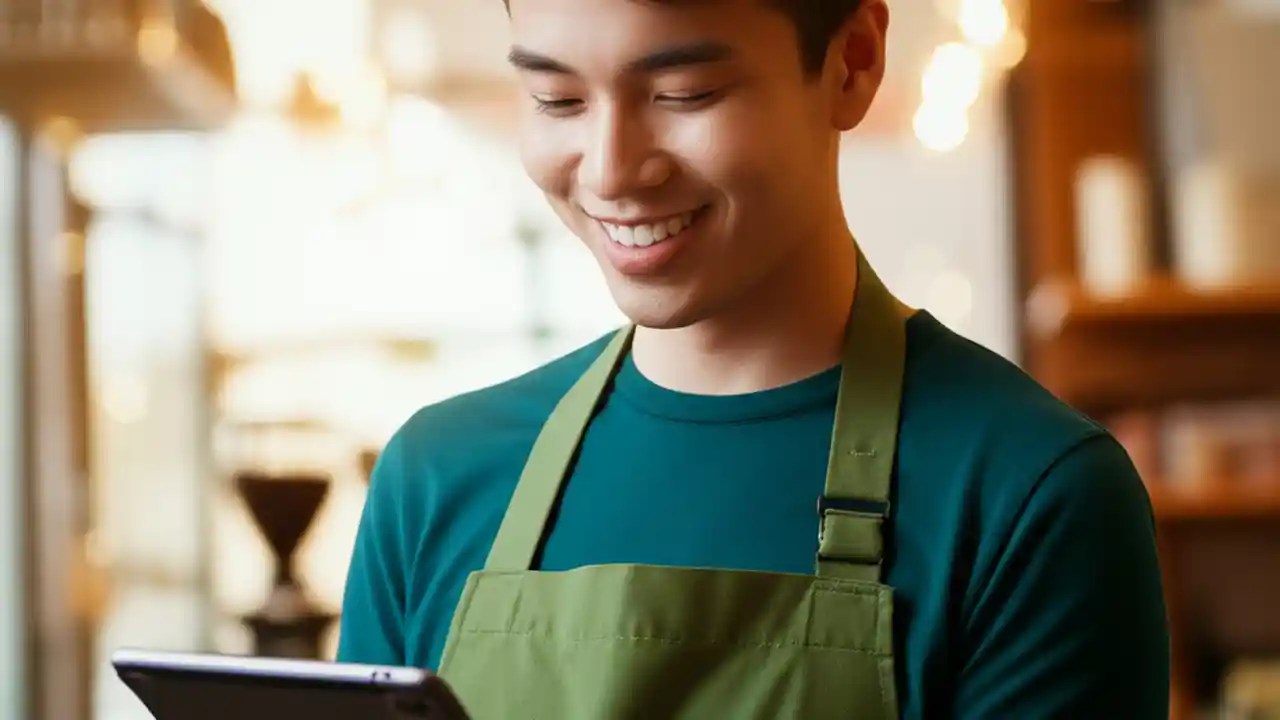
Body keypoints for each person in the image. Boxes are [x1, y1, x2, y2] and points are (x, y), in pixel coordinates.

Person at [337, 0, 1171, 717]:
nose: (612, 169)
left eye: (682, 93)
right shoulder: (434, 480)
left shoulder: (1032, 497)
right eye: (557, 100)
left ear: (853, 60)